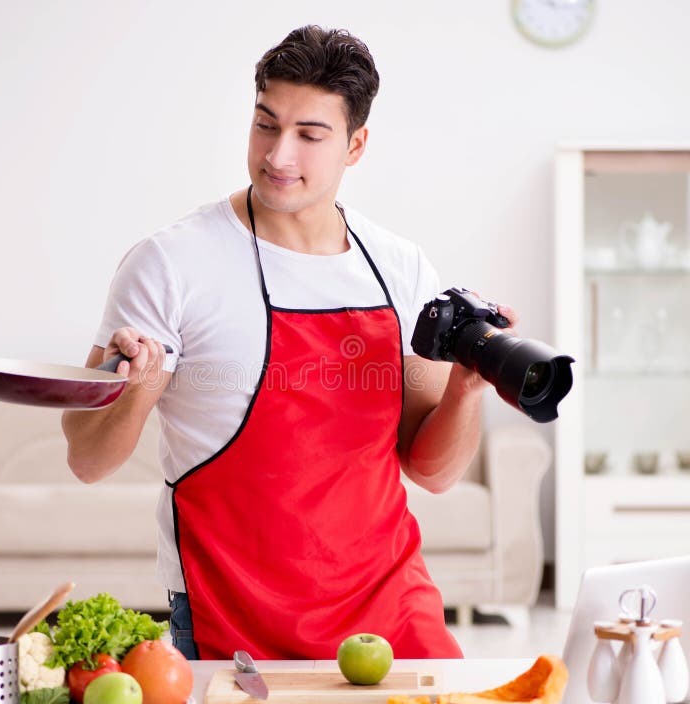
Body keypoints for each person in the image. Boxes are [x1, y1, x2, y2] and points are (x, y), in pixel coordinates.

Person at [63, 25, 517, 661]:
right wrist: (139, 391)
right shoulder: (170, 263)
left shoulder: (400, 267)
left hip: (389, 607)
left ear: (355, 145)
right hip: (231, 616)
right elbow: (87, 459)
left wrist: (466, 390)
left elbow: (432, 472)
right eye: (265, 125)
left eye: (309, 135)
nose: (278, 155)